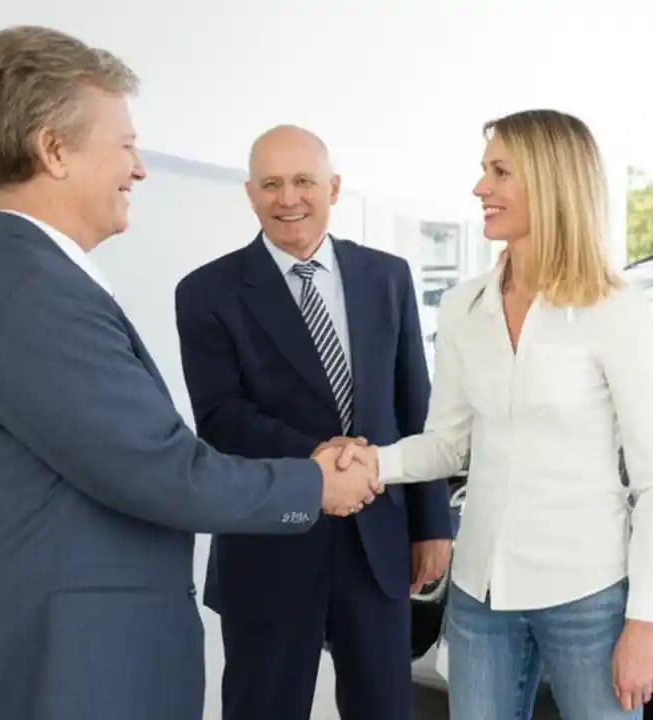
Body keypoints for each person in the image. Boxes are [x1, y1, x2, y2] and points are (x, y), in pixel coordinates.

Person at [0, 26, 379, 720]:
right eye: (124, 144)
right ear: (54, 150)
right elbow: (162, 469)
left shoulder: (20, 284)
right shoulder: (34, 300)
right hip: (54, 677)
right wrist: (317, 482)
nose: (139, 168)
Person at [347, 109, 653, 719]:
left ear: (552, 183)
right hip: (481, 595)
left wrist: (642, 625)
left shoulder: (615, 310)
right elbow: (447, 445)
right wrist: (370, 462)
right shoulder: (463, 306)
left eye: (500, 172)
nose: (481, 188)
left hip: (588, 597)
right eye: (484, 171)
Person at [174, 124, 453, 720]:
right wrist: (326, 459)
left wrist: (432, 524)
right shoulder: (206, 292)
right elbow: (221, 418)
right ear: (250, 194)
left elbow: (414, 404)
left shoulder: (387, 276)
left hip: (377, 541)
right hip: (270, 545)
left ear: (334, 187)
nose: (288, 198)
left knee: (384, 708)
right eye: (271, 184)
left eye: (304, 181)